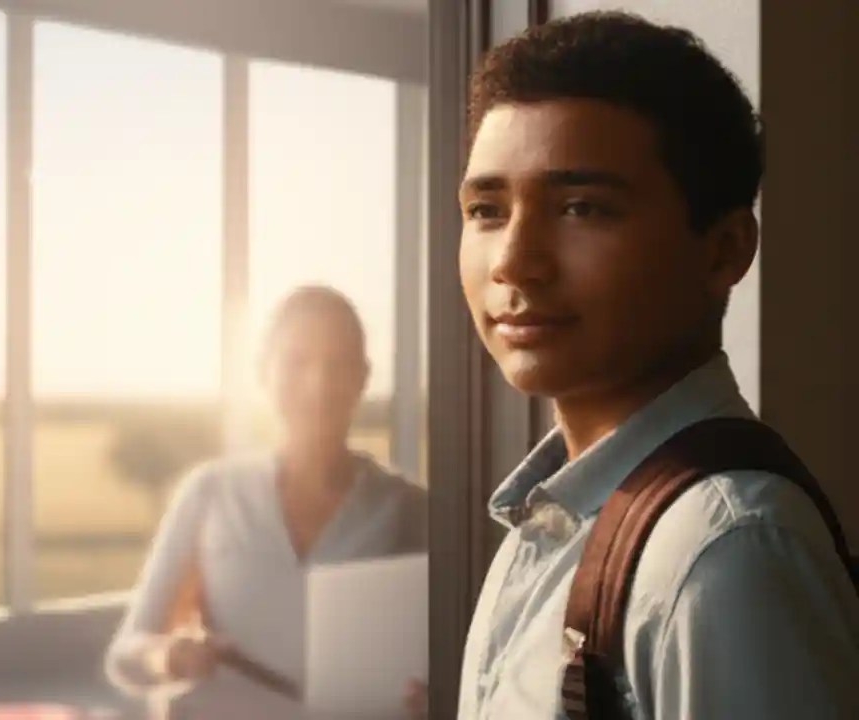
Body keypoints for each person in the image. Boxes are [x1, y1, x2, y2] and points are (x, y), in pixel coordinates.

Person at [443, 10, 859, 719]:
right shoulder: (545, 522)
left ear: (724, 250)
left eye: (580, 207)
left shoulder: (724, 550)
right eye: (487, 209)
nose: (513, 260)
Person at [103, 285, 428, 716]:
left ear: (363, 377)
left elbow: (456, 661)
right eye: (297, 363)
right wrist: (169, 657)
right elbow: (127, 656)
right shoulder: (210, 493)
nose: (319, 384)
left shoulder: (409, 509)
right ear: (262, 372)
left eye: (338, 364)